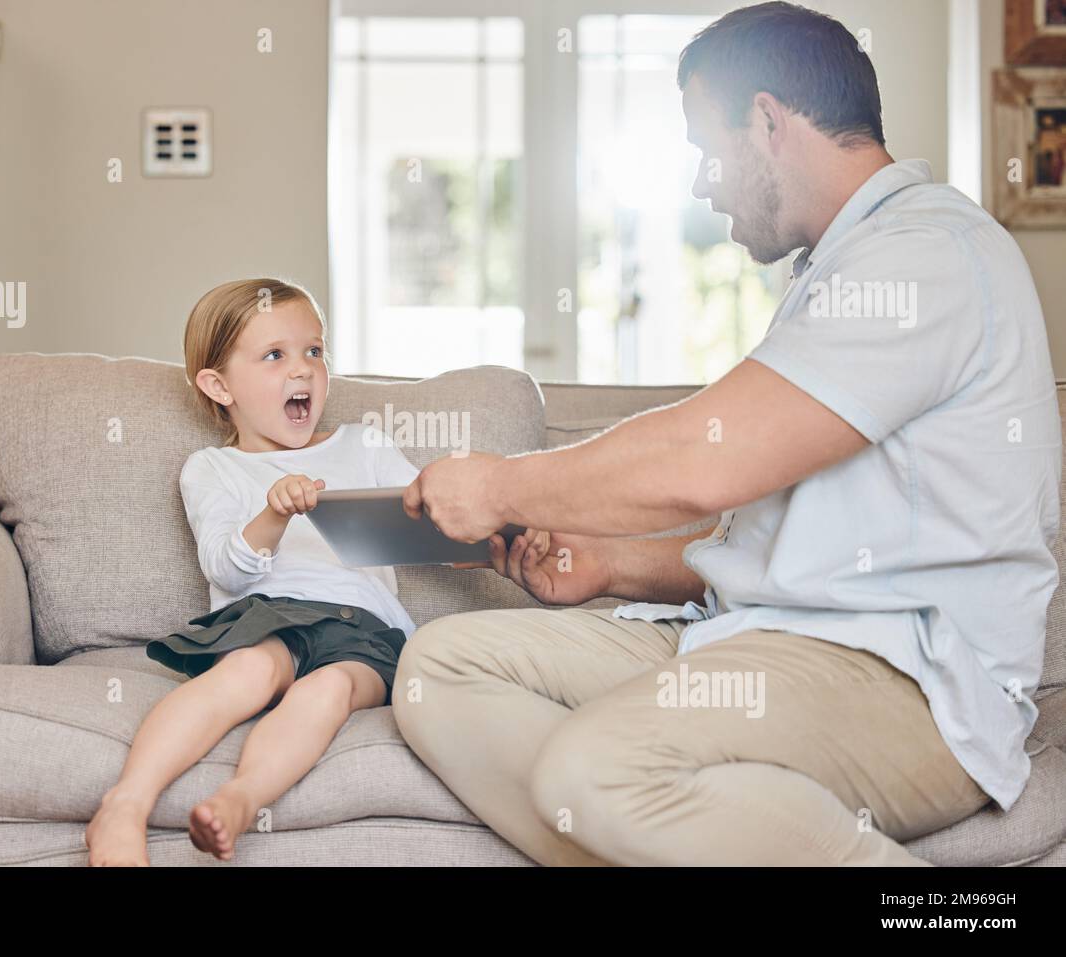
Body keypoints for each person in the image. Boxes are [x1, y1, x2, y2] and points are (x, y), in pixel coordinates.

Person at [394, 1, 1061, 866]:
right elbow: (796, 543)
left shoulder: (924, 256)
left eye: (709, 151)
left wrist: (495, 486)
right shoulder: (835, 270)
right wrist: (612, 564)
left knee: (594, 772)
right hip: (761, 641)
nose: (707, 185)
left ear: (767, 120)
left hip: (906, 678)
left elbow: (704, 461)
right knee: (435, 667)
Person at [85, 277, 419, 865]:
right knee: (248, 670)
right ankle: (125, 806)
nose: (303, 371)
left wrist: (490, 536)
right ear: (219, 386)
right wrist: (273, 512)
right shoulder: (212, 468)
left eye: (314, 351)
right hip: (269, 617)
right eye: (274, 355)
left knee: (332, 688)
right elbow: (225, 566)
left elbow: (425, 525)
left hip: (367, 633)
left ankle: (238, 800)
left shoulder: (363, 444)